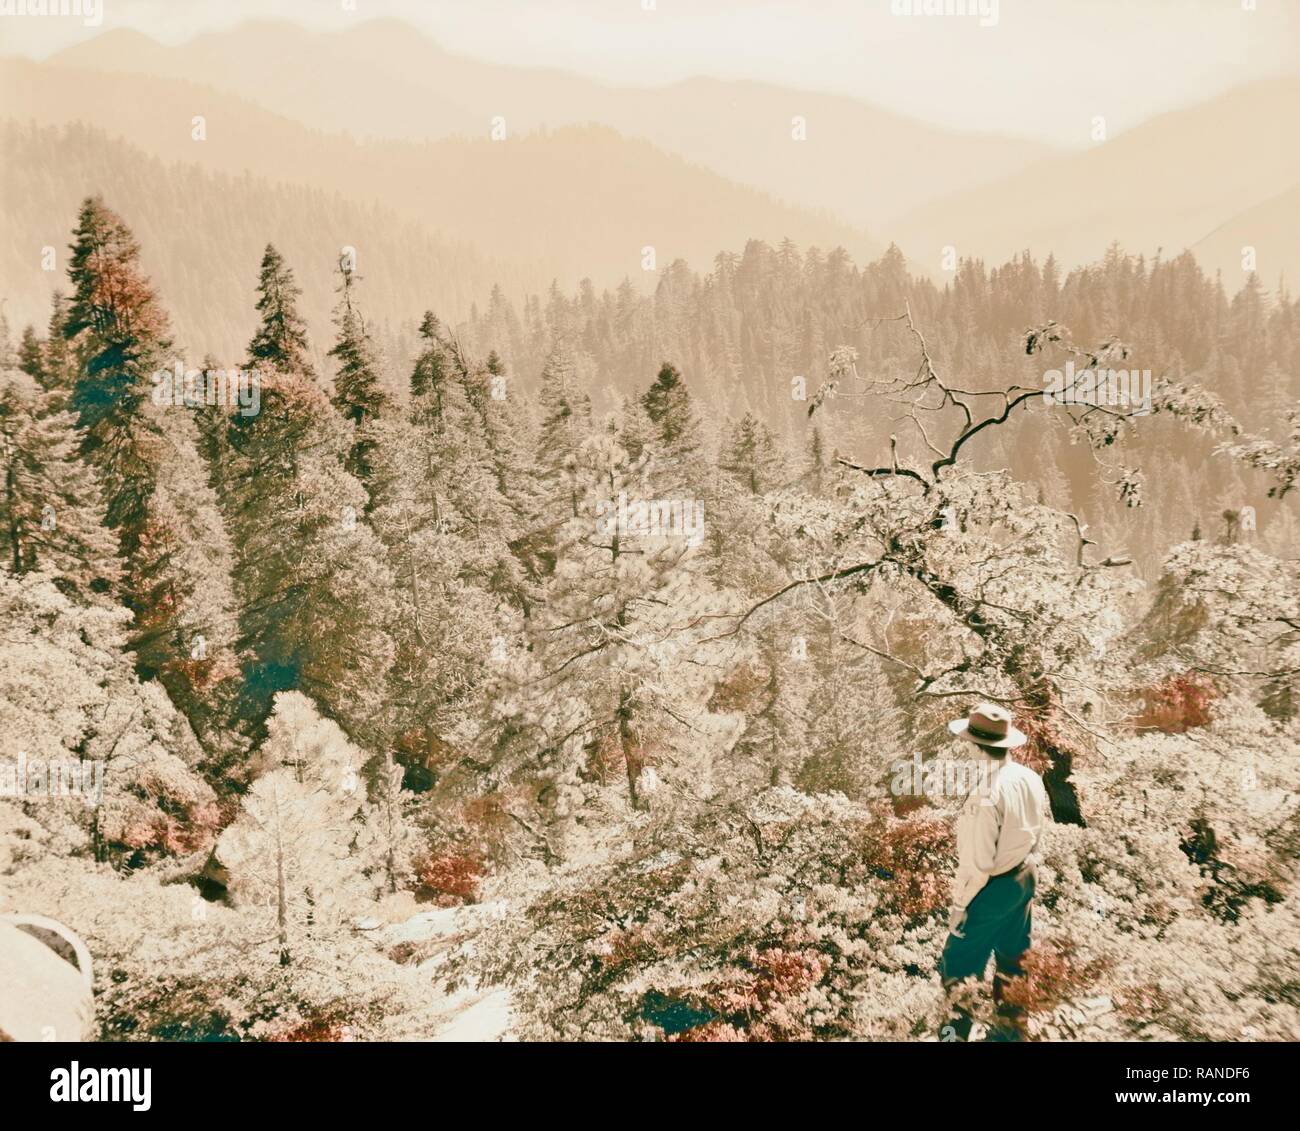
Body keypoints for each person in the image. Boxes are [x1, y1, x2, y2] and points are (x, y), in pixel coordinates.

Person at [939, 703, 1048, 1041]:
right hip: (1024, 876)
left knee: (958, 966)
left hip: (992, 889)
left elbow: (977, 864)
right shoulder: (1029, 777)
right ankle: (1010, 1033)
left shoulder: (985, 794)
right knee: (1014, 959)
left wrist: (959, 907)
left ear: (973, 745)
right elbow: (1038, 830)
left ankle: (953, 1037)